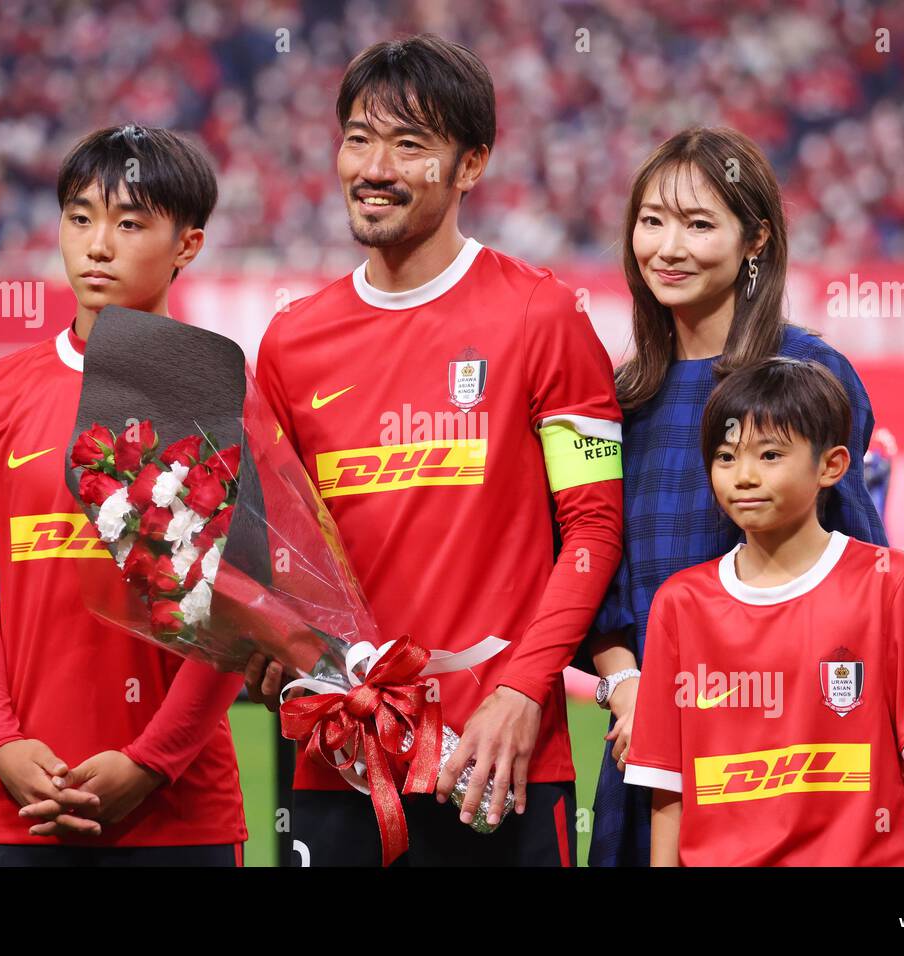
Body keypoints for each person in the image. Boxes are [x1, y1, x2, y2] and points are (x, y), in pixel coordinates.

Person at [247, 34, 624, 866]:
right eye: (357, 137)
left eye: (410, 144)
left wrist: (525, 690)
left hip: (502, 755)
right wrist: (264, 646)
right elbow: (278, 554)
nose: (374, 166)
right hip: (338, 762)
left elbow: (595, 529)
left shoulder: (544, 318)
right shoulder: (289, 344)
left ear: (471, 164)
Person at [0, 124, 247, 866]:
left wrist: (153, 760)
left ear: (187, 245)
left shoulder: (218, 395)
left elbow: (233, 615)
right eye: (80, 218)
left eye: (129, 224)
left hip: (180, 812)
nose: (97, 245)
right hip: (19, 804)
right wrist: (0, 747)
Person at [585, 127, 889, 867]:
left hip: (778, 746)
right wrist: (626, 684)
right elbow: (592, 567)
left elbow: (855, 576)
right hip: (646, 748)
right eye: (652, 221)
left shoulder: (811, 375)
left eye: (698, 224)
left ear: (755, 239)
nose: (667, 247)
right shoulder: (613, 400)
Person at [623, 357, 904, 865]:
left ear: (831, 466)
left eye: (770, 455)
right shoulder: (681, 603)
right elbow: (667, 782)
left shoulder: (891, 582)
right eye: (726, 457)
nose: (744, 476)